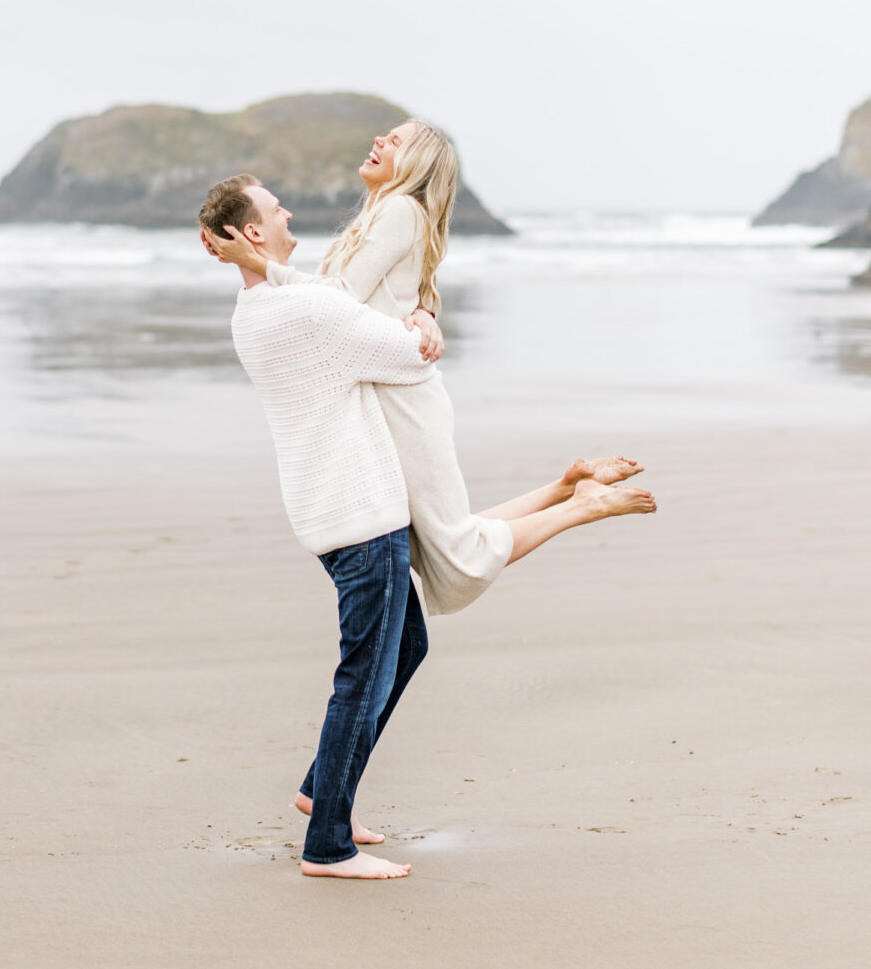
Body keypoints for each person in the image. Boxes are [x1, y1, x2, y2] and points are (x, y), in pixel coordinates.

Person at [199, 168, 656, 880]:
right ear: (253, 230)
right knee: (362, 676)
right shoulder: (304, 312)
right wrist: (423, 321)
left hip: (331, 514)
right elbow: (410, 357)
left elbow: (330, 299)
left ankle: (322, 790)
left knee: (406, 647)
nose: (289, 213)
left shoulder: (259, 310)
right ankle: (328, 846)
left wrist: (402, 306)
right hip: (362, 518)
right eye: (276, 208)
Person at [202, 122, 656, 618]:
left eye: (395, 142)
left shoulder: (400, 210)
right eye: (384, 136)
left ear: (416, 164)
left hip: (405, 400)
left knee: (455, 553)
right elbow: (356, 299)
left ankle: (583, 507)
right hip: (386, 396)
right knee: (437, 540)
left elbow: (339, 298)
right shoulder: (379, 216)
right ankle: (566, 489)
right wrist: (423, 310)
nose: (379, 141)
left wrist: (261, 265)